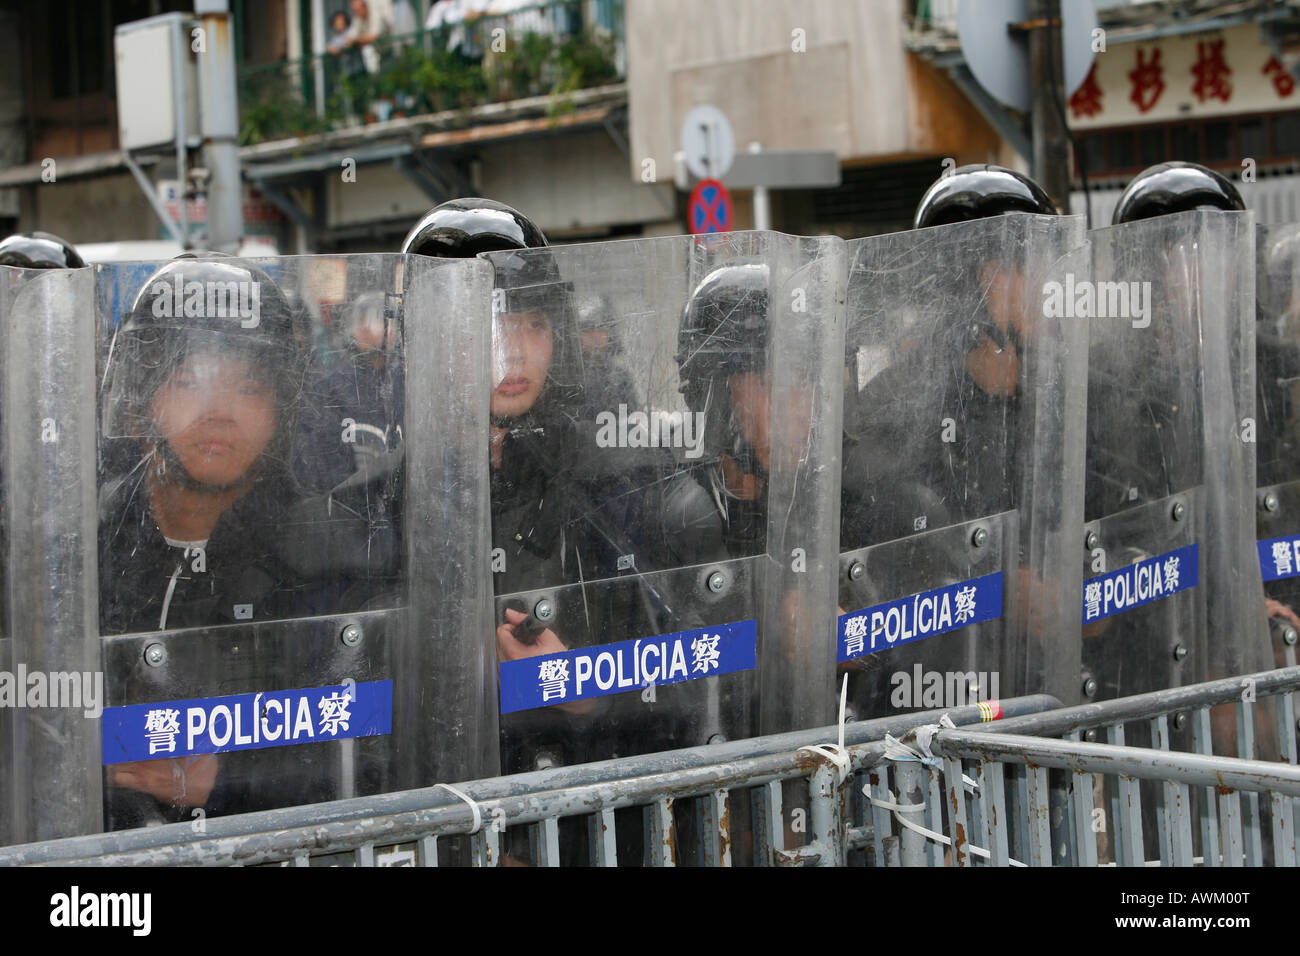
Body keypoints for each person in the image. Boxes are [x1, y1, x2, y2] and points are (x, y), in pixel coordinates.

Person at [97, 254, 328, 828]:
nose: (219, 412)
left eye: (248, 387)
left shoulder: (321, 553)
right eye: (188, 381)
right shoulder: (85, 544)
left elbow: (366, 741)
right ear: (145, 396)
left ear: (281, 409)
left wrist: (232, 779)